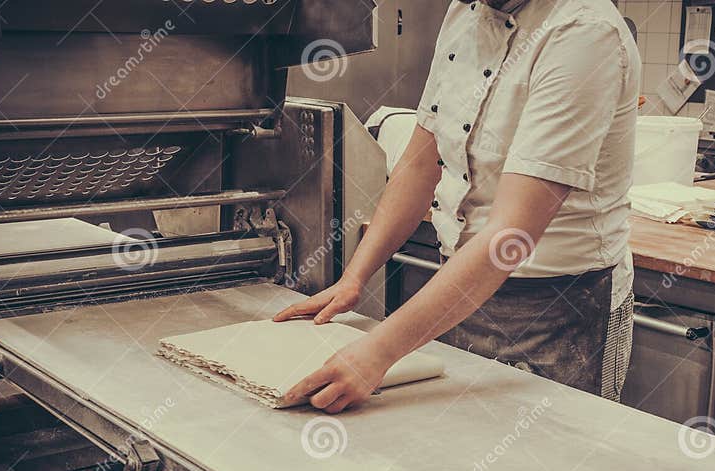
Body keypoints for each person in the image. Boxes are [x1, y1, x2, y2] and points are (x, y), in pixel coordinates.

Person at [274, 0, 640, 414]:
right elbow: (419, 165)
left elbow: (512, 235)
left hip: (560, 306)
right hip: (463, 287)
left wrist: (378, 351)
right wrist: (353, 278)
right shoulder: (466, 13)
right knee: (462, 440)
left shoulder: (585, 32)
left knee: (549, 448)